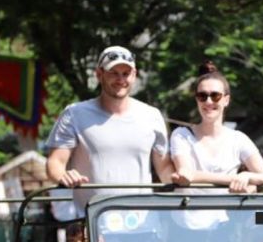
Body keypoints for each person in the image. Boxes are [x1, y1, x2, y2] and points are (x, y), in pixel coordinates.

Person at [45, 45, 175, 213]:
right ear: (99, 75)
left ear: (134, 76)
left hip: (142, 221)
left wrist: (192, 176)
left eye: (126, 73)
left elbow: (164, 170)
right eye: (113, 72)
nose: (120, 79)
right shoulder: (74, 114)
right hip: (89, 222)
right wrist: (63, 176)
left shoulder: (152, 116)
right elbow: (55, 162)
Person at [170, 61, 263, 192]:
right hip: (189, 211)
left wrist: (247, 176)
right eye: (202, 96)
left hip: (225, 212)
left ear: (226, 100)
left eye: (215, 96)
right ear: (196, 100)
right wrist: (235, 179)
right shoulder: (181, 135)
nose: (208, 101)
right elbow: (186, 173)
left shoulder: (238, 139)